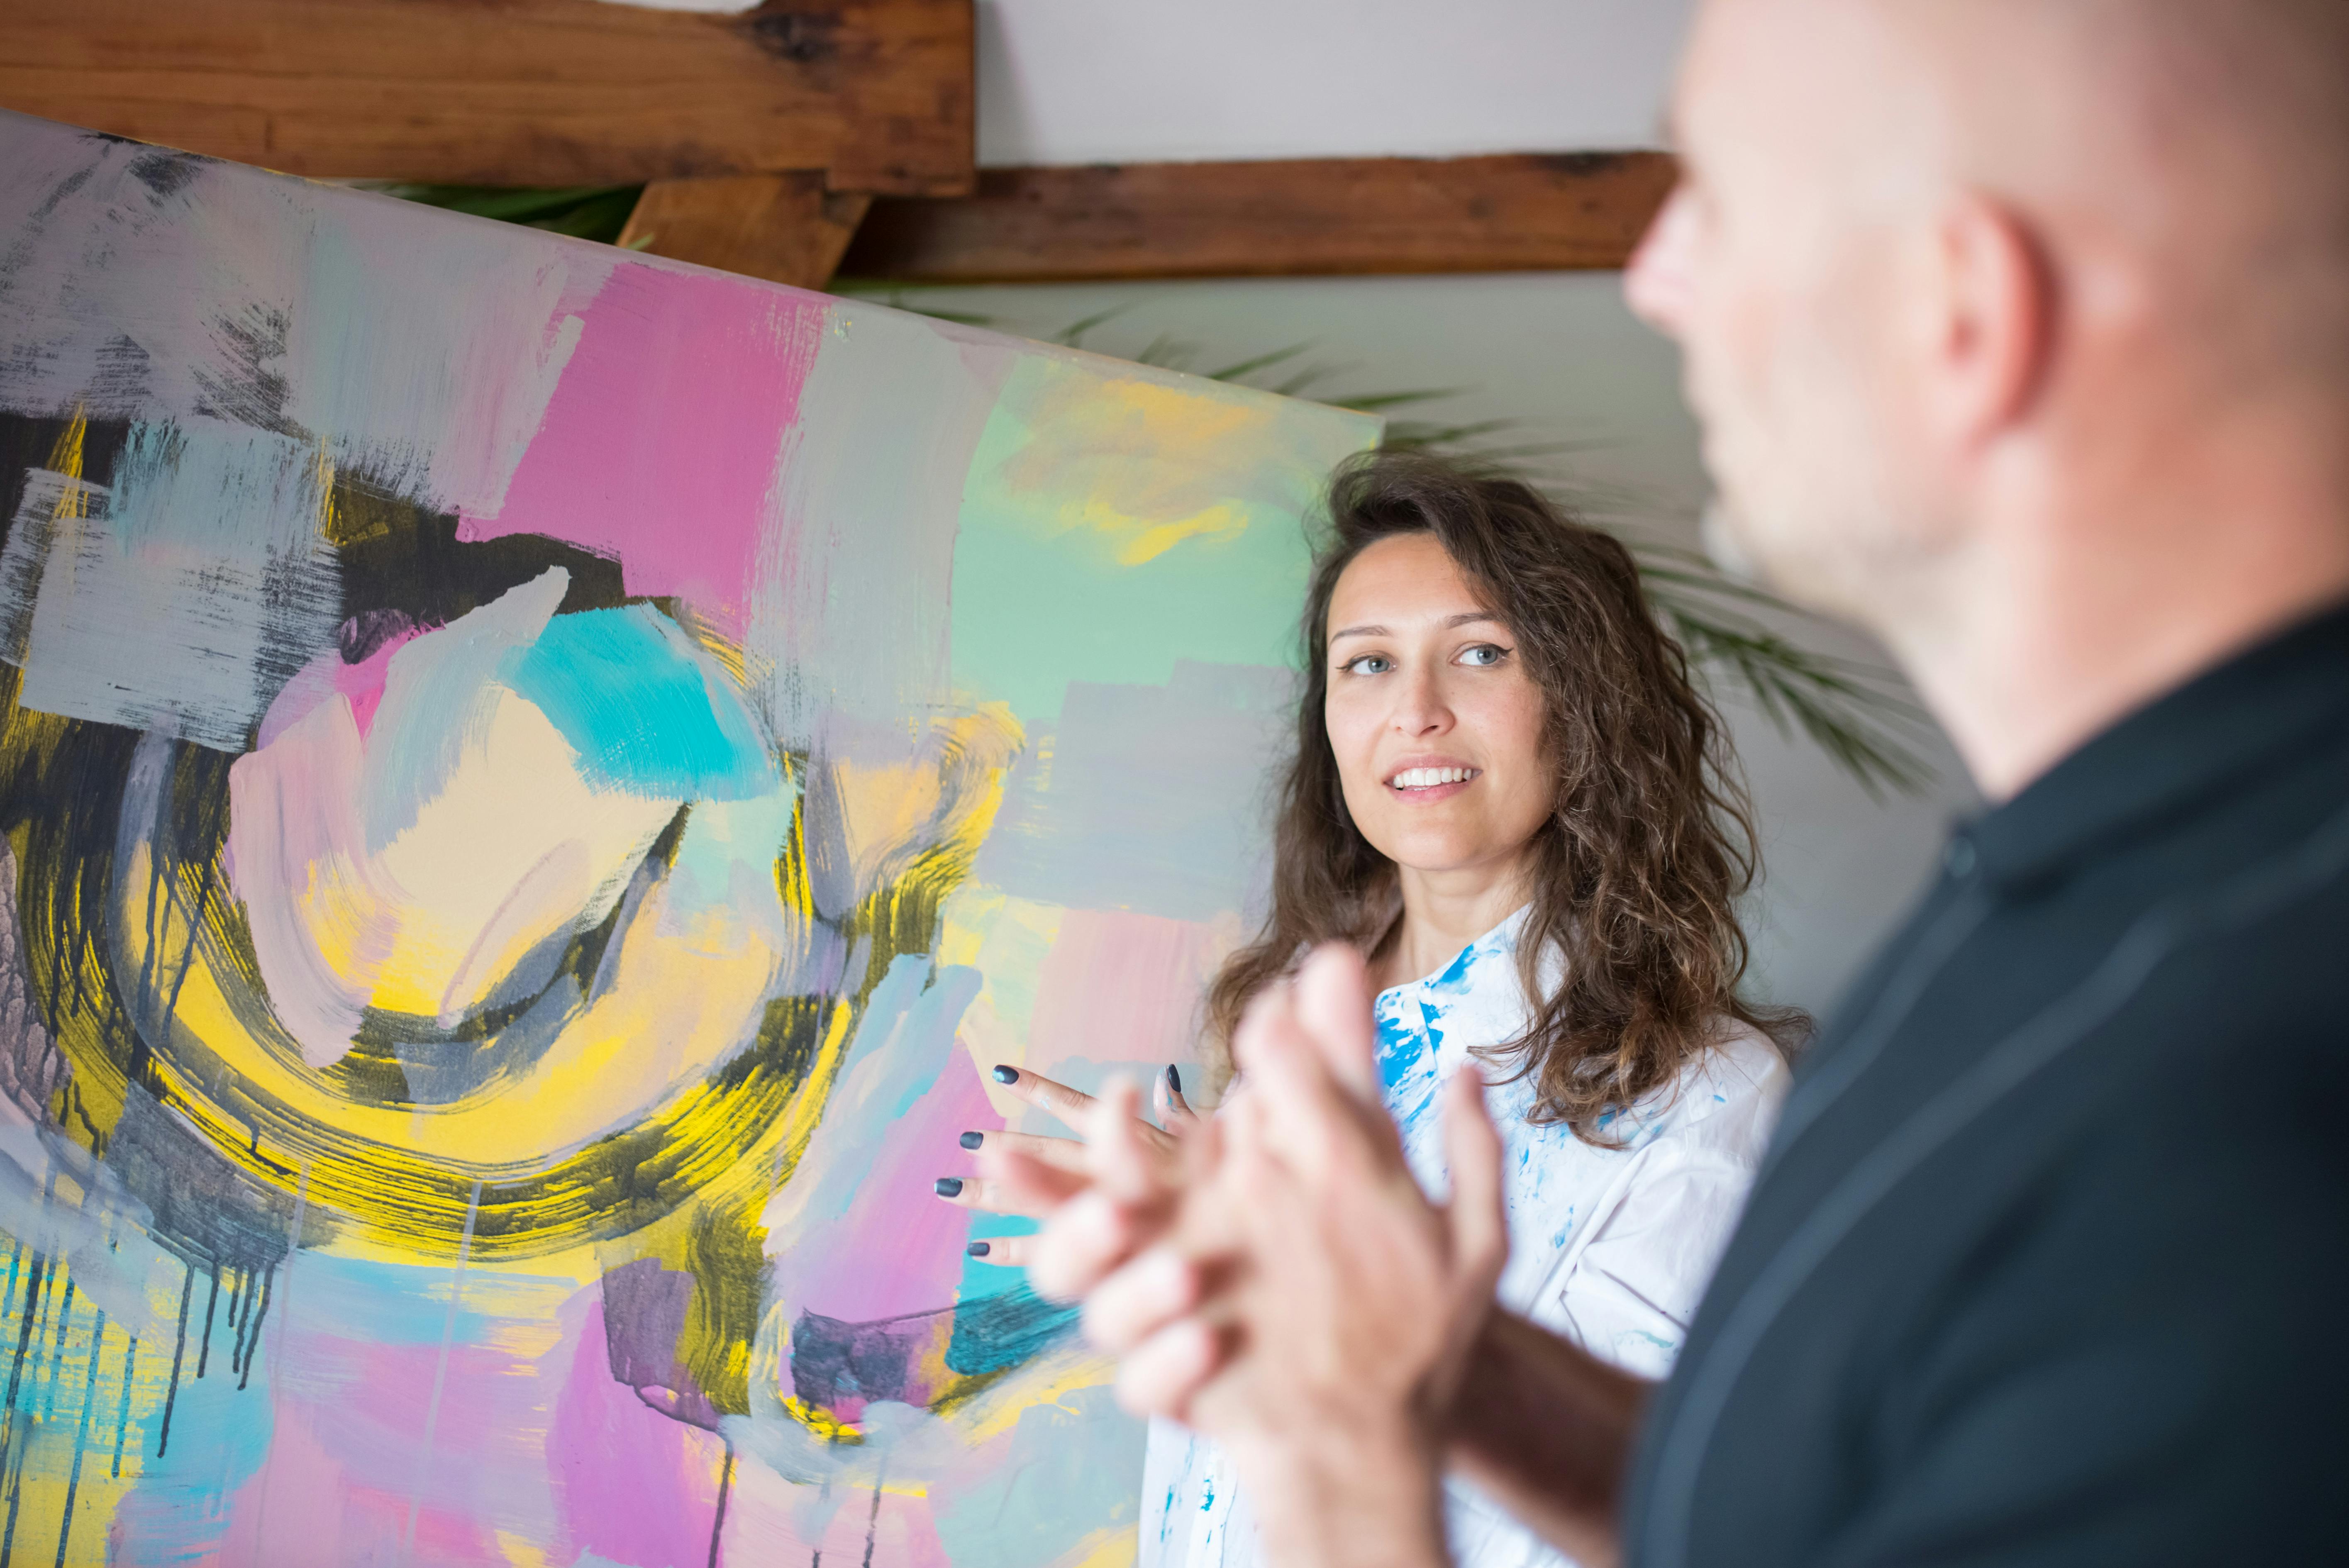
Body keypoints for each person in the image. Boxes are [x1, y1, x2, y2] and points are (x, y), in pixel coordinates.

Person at [1017, 1, 2349, 1565]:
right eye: (1364, 665)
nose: (1653, 276)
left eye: (1721, 193)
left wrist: (1342, 1424)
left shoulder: (2231, 1071)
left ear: (1963, 308)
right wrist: (1439, 1359)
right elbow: (1790, 1517)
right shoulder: (2038, 932)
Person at [937, 451, 1798, 1566]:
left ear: (1582, 703)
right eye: (1370, 664)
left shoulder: (1703, 1086)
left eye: (1481, 653)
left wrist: (1299, 1286)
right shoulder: (1284, 1032)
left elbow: (1647, 1511)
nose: (1417, 713)